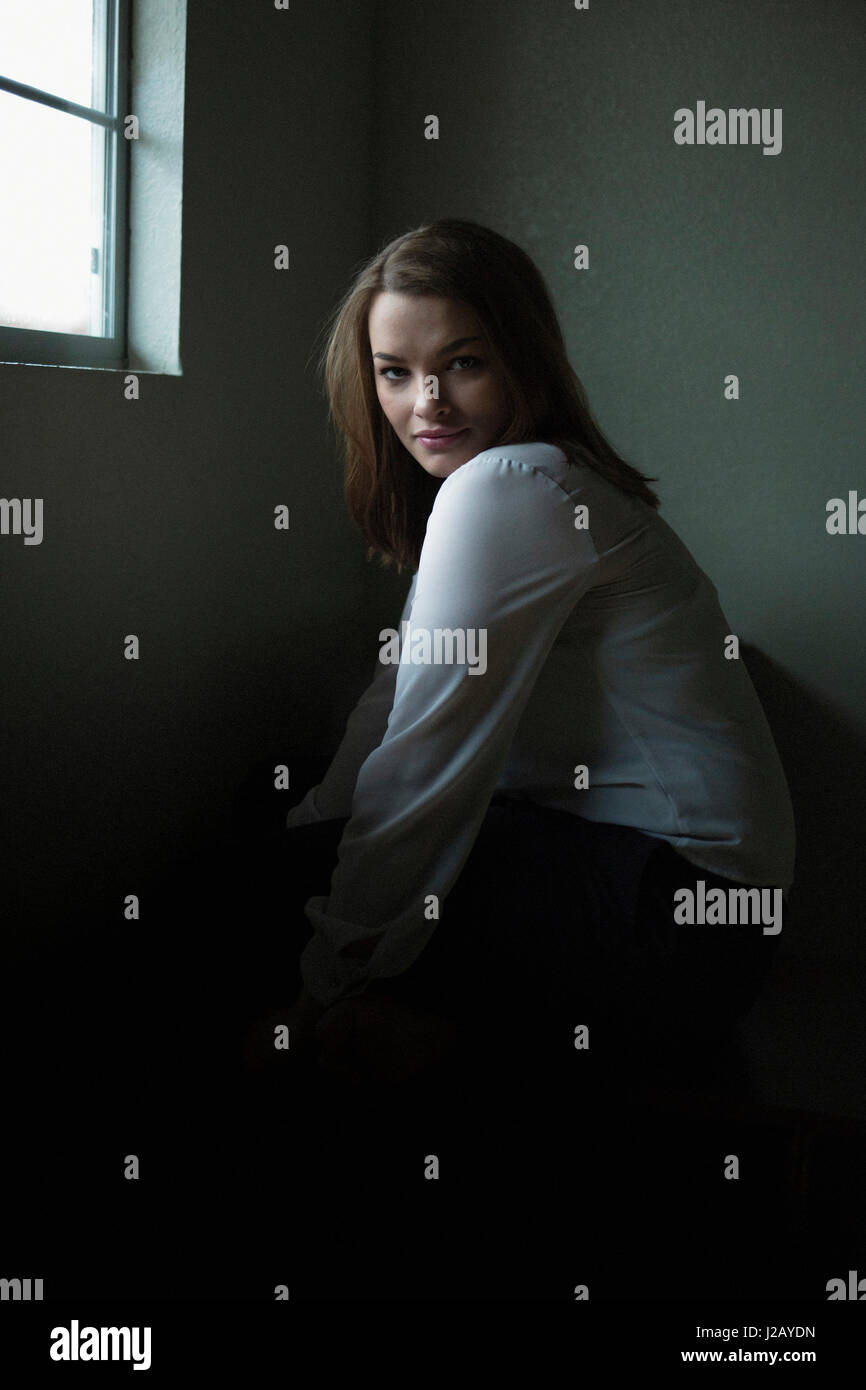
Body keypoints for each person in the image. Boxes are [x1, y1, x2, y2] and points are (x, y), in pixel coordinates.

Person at [247, 218, 795, 1086]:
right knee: (289, 819)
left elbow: (425, 760)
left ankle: (405, 1032)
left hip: (682, 926)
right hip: (688, 912)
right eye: (396, 373)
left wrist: (318, 986)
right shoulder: (521, 483)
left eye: (461, 363)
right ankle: (436, 1028)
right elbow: (392, 708)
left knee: (276, 885)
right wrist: (303, 834)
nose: (425, 401)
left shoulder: (513, 486)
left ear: (522, 359)